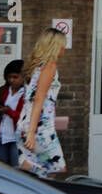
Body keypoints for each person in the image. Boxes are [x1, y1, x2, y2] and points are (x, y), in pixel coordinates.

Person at [17, 28, 68, 178]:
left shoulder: (34, 67)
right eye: (62, 45)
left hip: (24, 124)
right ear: (55, 46)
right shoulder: (49, 66)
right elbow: (39, 98)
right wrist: (32, 132)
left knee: (29, 172)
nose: (64, 49)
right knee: (58, 172)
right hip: (40, 128)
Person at [0, 59, 26, 166]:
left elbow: (26, 119)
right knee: (0, 170)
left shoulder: (27, 94)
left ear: (24, 77)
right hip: (0, 139)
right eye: (9, 77)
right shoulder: (2, 91)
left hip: (17, 140)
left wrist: (9, 112)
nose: (11, 80)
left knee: (17, 171)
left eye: (15, 77)